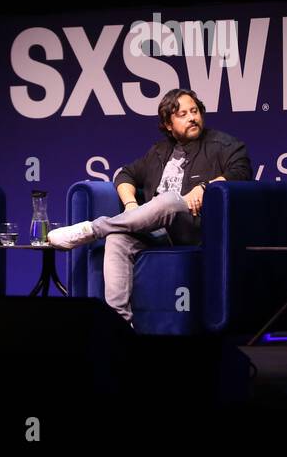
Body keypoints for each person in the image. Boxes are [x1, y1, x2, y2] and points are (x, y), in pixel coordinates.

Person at [46, 88, 251, 326]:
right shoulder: (159, 152)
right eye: (182, 114)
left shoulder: (224, 145)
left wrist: (205, 187)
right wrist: (131, 205)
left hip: (195, 230)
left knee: (169, 201)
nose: (192, 118)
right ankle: (119, 326)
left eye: (194, 111)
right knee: (117, 239)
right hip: (156, 232)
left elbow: (241, 173)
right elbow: (125, 175)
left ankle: (93, 229)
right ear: (168, 124)